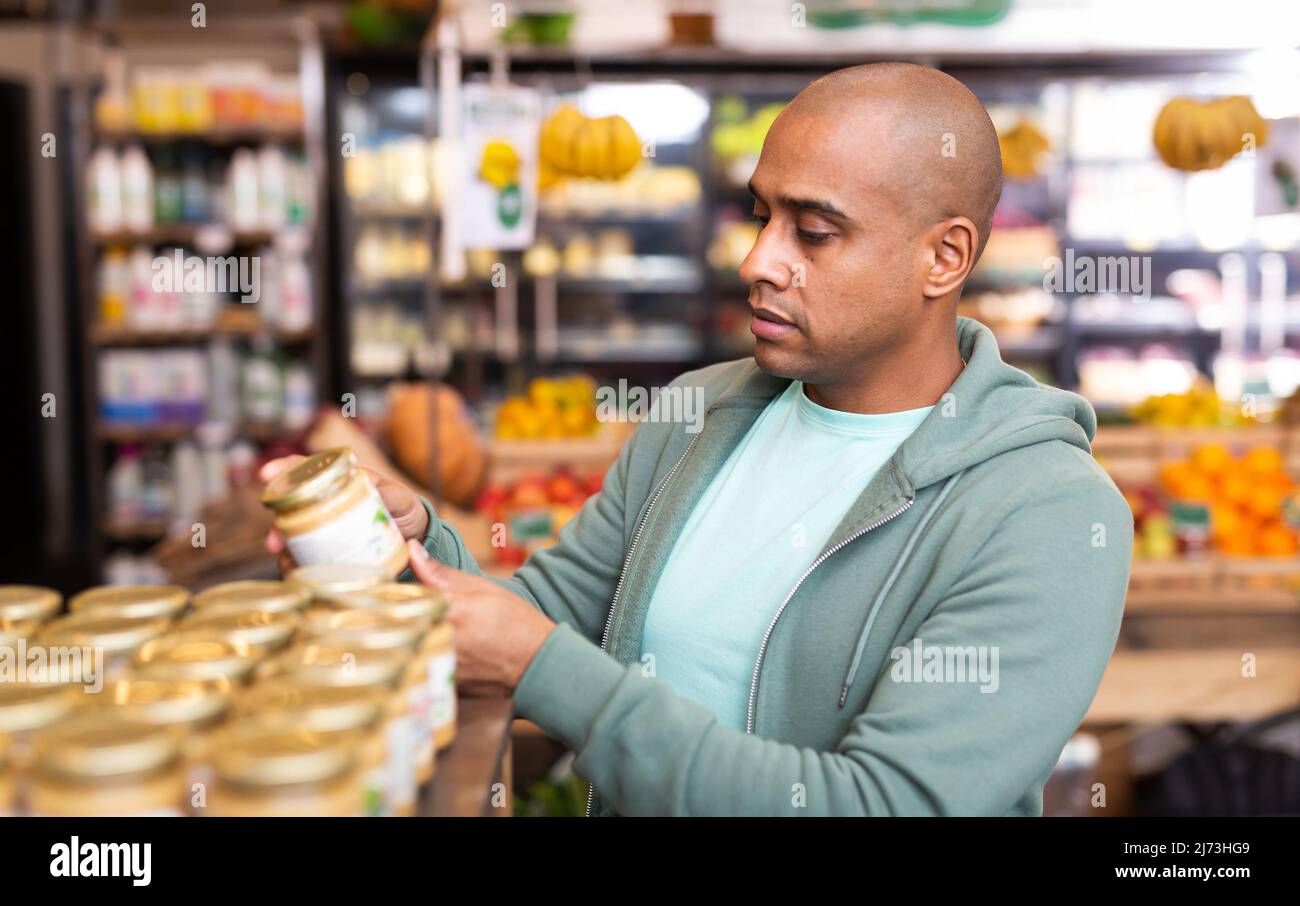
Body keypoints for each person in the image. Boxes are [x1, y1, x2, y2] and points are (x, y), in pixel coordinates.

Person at [263, 63, 1132, 816]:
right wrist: (410, 557)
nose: (758, 260)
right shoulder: (700, 413)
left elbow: (885, 803)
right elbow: (554, 617)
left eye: (813, 232)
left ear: (944, 259)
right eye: (761, 216)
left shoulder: (1045, 513)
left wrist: (551, 674)